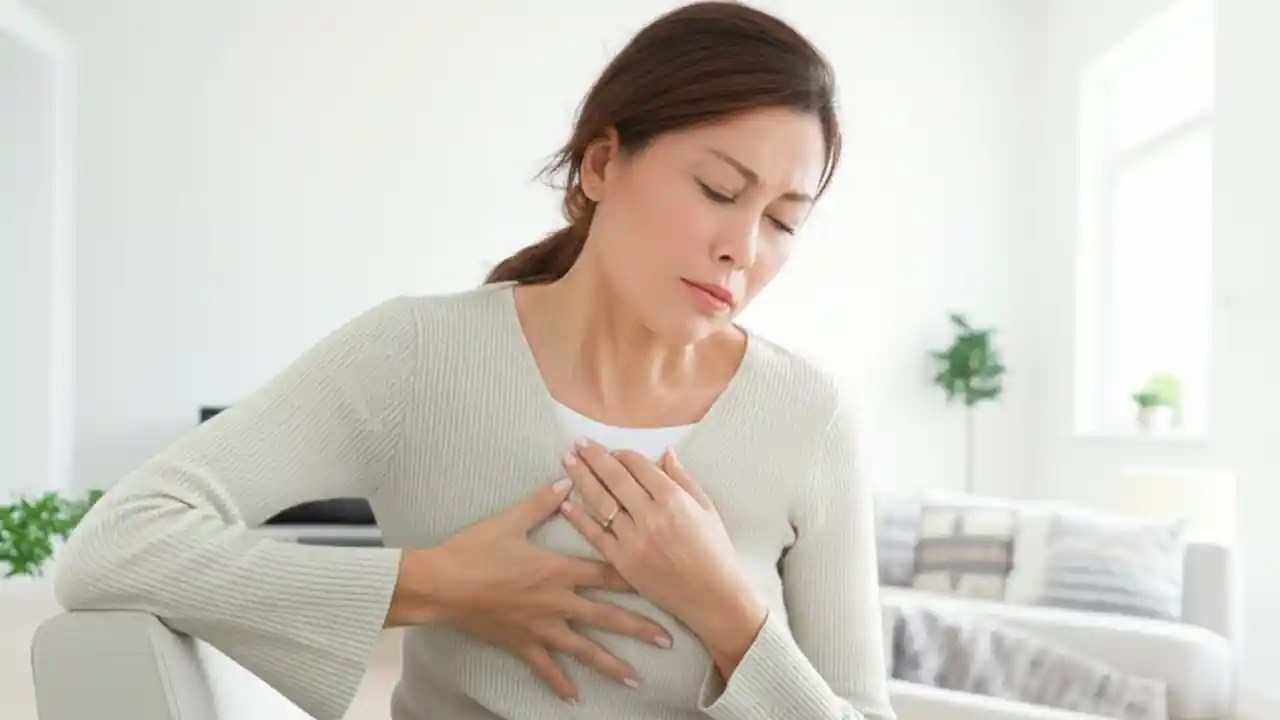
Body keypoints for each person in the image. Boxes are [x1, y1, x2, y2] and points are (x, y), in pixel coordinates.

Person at [53, 3, 897, 719]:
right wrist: (431, 584)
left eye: (785, 220)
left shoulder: (808, 418)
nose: (742, 250)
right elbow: (116, 546)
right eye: (717, 190)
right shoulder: (417, 358)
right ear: (602, 164)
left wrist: (728, 612)